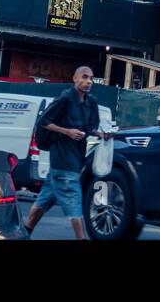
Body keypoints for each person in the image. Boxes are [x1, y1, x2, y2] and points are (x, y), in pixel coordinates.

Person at [24, 65, 111, 239]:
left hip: (74, 159)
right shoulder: (65, 98)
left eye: (91, 78)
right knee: (74, 202)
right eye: (84, 77)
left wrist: (101, 134)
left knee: (42, 202)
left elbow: (89, 128)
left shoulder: (90, 102)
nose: (88, 82)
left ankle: (24, 233)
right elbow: (43, 121)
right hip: (63, 160)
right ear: (75, 78)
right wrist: (67, 131)